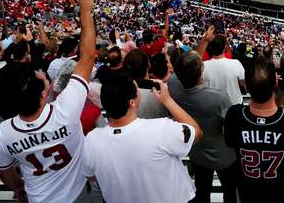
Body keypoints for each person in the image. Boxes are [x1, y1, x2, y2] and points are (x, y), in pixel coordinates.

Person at [0, 0, 98, 203]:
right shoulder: (65, 110)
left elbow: (3, 170)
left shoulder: (5, 132)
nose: (43, 75)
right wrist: (85, 12)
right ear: (41, 95)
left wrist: (19, 189)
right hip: (79, 195)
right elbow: (87, 58)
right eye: (43, 79)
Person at [81, 66, 201, 203]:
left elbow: (92, 177)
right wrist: (167, 100)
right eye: (136, 89)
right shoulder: (160, 129)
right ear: (131, 102)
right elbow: (196, 133)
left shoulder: (92, 140)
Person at [224, 60, 284, 203]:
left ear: (246, 86)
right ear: (276, 84)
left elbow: (229, 142)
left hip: (249, 193)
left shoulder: (235, 115)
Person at [169, 50, 238, 203]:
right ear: (201, 71)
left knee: (202, 192)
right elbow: (230, 127)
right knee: (230, 192)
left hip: (197, 154)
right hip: (223, 155)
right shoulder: (218, 97)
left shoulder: (173, 91)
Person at [202, 32, 246, 103]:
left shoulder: (203, 66)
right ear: (225, 46)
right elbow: (243, 83)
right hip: (233, 104)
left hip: (212, 106)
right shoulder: (236, 63)